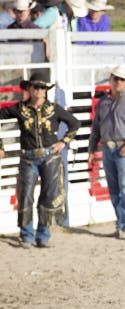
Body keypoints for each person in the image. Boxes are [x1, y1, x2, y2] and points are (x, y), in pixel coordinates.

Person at [0, 72, 80, 248]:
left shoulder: (54, 109)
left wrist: (63, 142)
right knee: (25, 195)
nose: (39, 91)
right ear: (29, 88)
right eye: (36, 87)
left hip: (50, 156)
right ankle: (27, 235)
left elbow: (75, 123)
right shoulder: (19, 108)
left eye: (42, 87)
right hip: (28, 157)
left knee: (49, 196)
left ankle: (43, 235)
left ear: (46, 90)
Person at [87, 65, 125, 240]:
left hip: (123, 148)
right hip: (108, 147)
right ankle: (121, 224)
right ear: (111, 79)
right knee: (114, 189)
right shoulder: (103, 103)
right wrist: (92, 150)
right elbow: (96, 128)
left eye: (122, 79)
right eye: (116, 78)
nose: (118, 82)